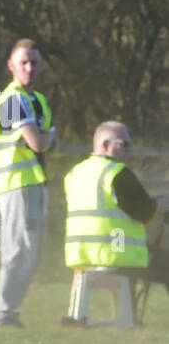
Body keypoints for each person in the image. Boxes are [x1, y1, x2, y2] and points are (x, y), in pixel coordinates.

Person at [0, 38, 57, 327]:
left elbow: (45, 142)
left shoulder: (36, 101)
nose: (29, 67)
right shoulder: (13, 101)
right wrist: (49, 135)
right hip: (17, 184)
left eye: (34, 62)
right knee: (19, 250)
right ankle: (4, 314)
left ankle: (8, 313)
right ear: (11, 65)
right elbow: (40, 142)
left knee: (29, 251)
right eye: (23, 62)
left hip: (32, 184)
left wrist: (47, 137)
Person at [63, 121, 168, 290]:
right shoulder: (117, 173)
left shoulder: (74, 173)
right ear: (105, 145)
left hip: (81, 259)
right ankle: (128, 316)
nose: (130, 150)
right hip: (116, 255)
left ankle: (127, 315)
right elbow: (146, 214)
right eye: (124, 144)